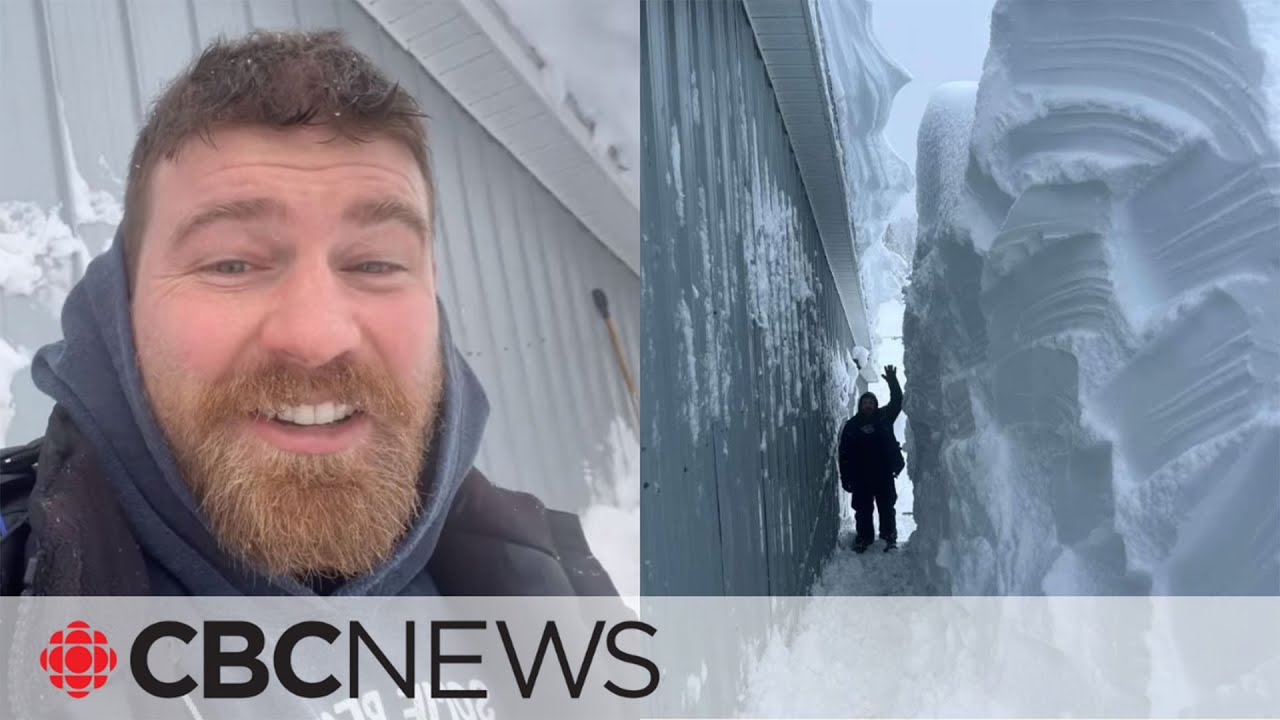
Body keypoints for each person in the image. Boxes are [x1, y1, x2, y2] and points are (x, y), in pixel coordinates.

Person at [0, 31, 616, 597]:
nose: (317, 336)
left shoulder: (561, 593)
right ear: (123, 305)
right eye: (231, 264)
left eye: (375, 265)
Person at [838, 364, 905, 553]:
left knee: (886, 507)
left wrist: (893, 381)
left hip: (883, 473)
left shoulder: (884, 417)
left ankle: (888, 537)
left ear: (875, 405)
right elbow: (844, 454)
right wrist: (846, 478)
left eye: (871, 402)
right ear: (860, 406)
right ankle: (864, 538)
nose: (868, 405)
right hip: (861, 476)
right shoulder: (852, 426)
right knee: (863, 510)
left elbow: (898, 401)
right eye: (865, 403)